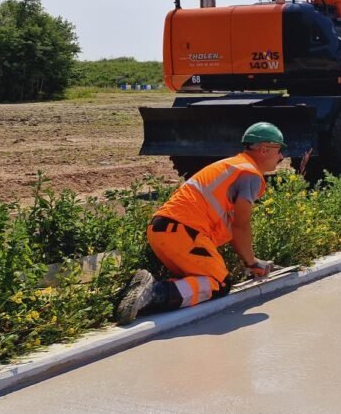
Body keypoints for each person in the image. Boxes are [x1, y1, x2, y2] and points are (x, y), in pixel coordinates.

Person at [116, 122, 285, 323]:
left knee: (198, 279)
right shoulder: (249, 174)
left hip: (165, 230)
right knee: (218, 283)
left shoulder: (233, 165)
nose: (281, 157)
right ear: (264, 149)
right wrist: (252, 262)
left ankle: (144, 293)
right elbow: (241, 226)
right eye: (279, 150)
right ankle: (154, 292)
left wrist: (250, 261)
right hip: (183, 232)